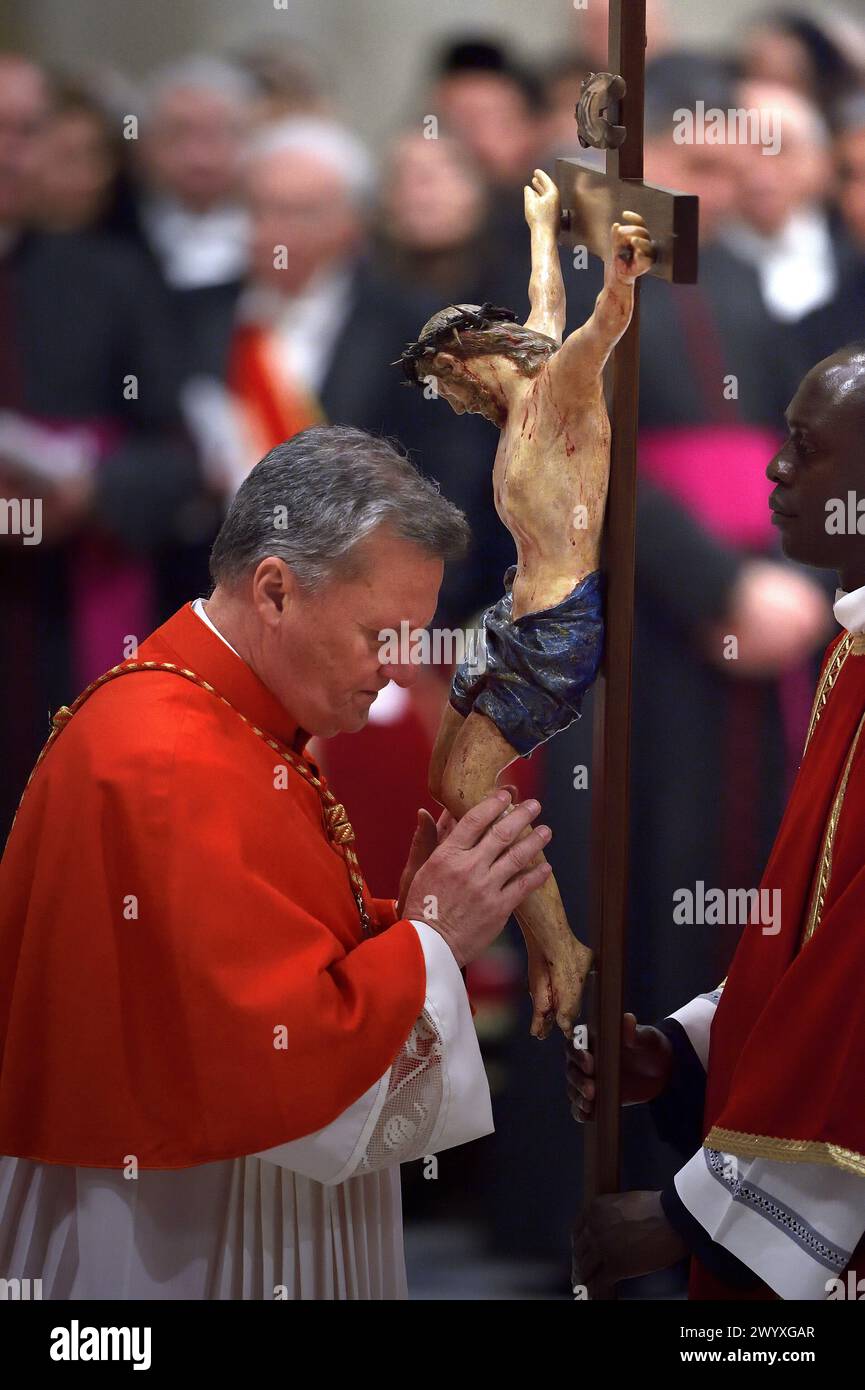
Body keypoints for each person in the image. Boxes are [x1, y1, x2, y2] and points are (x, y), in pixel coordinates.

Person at [0, 424, 553, 1300]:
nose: (401, 669)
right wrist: (431, 941)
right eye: (382, 635)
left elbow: (258, 956)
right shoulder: (167, 755)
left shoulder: (226, 720)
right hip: (181, 1241)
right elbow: (267, 1063)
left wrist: (395, 926)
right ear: (275, 590)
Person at [569, 344, 865, 1301]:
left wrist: (683, 1215)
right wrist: (689, 1048)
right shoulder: (849, 651)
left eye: (805, 448)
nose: (775, 470)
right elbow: (810, 930)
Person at [399, 169, 655, 1037]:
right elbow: (545, 300)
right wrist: (545, 227)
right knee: (445, 782)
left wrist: (620, 275)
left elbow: (596, 329)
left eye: (447, 377)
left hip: (556, 629)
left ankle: (559, 944)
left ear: (475, 356)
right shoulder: (518, 396)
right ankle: (508, 931)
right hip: (512, 619)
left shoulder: (563, 391)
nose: (450, 394)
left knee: (472, 782)